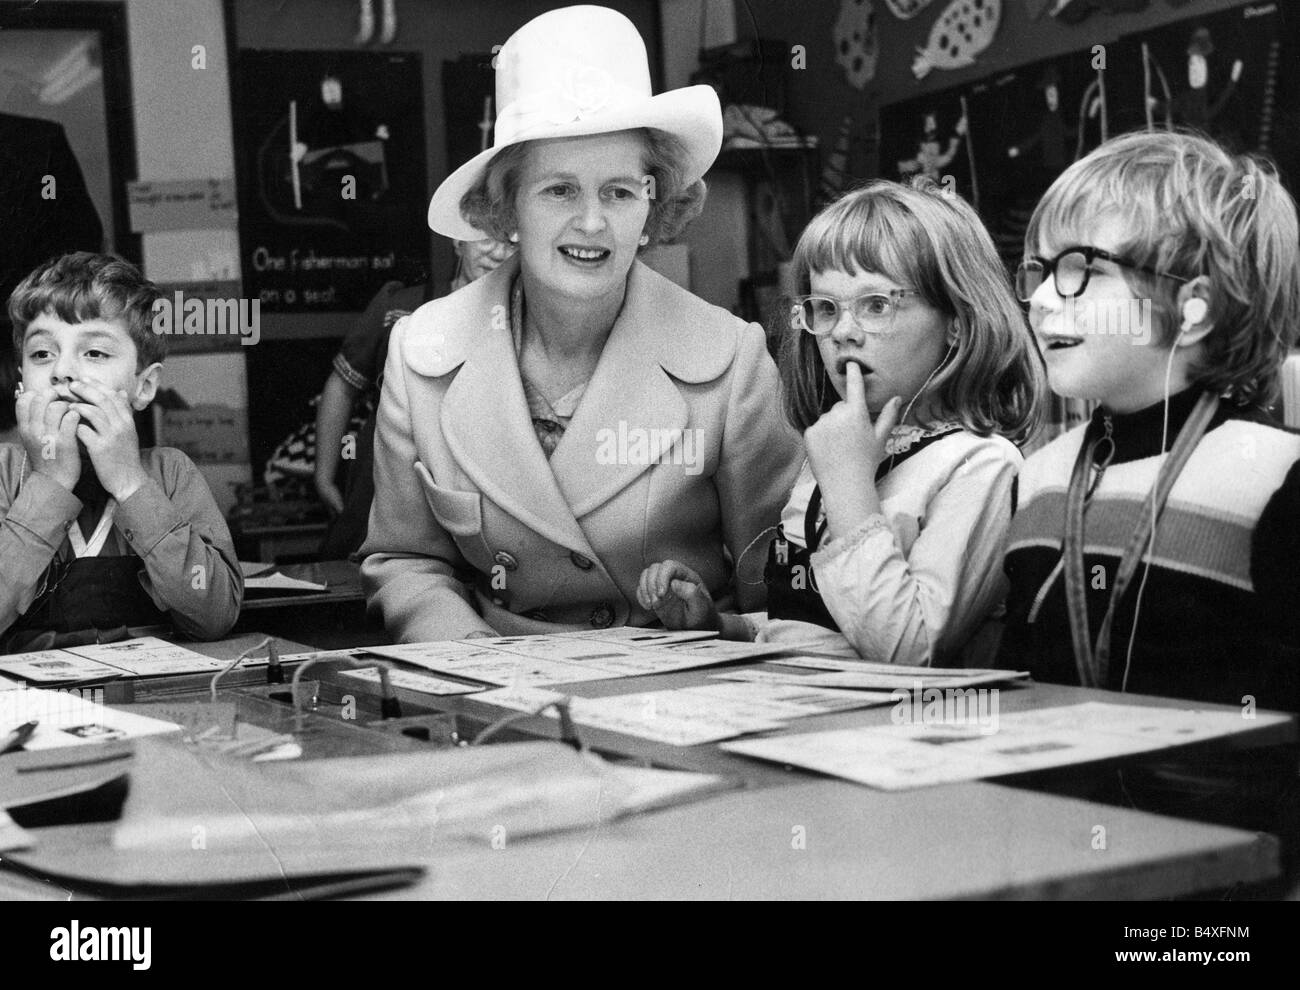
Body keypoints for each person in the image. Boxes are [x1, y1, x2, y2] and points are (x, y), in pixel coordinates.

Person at [360, 6, 801, 642]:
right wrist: (474, 665)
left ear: (653, 211)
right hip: (495, 700)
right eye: (560, 190)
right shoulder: (422, 350)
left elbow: (782, 589)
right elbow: (406, 561)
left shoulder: (731, 358)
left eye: (620, 192)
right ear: (506, 207)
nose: (592, 222)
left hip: (673, 705)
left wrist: (712, 621)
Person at [639, 178, 1045, 664]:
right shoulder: (843, 446)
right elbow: (817, 624)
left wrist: (850, 487)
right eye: (826, 309)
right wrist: (724, 624)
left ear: (958, 321)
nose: (844, 333)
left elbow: (909, 648)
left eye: (876, 305)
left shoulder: (979, 466)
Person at [1000, 130, 1300, 713]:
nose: (1038, 300)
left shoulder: (1274, 478)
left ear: (1194, 310)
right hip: (1046, 798)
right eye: (1038, 271)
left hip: (1208, 802)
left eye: (1080, 268)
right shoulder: (1036, 477)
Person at [0, 253, 242, 652]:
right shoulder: (7, 473)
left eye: (94, 353)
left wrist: (131, 484)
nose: (62, 371)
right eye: (42, 354)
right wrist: (50, 483)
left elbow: (213, 615)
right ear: (21, 381)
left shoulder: (170, 473)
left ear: (144, 387)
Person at [315, 237, 514, 558]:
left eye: (510, 240)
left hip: (477, 483)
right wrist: (324, 477)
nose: (498, 251)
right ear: (457, 240)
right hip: (385, 473)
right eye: (484, 235)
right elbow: (342, 385)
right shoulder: (400, 306)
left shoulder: (523, 316)